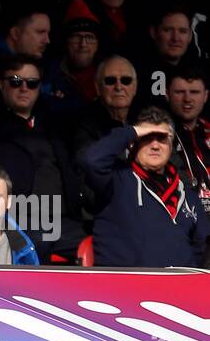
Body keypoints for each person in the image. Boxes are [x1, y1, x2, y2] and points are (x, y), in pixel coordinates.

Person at [0, 53, 86, 254]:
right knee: (34, 247)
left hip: (63, 220)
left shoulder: (55, 124)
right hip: (16, 220)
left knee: (104, 246)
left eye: (32, 83)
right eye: (16, 81)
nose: (24, 88)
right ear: (1, 85)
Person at [79, 106, 208, 268]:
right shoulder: (115, 179)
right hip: (124, 282)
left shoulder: (186, 193)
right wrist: (131, 132)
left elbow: (201, 246)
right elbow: (91, 161)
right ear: (132, 143)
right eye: (147, 137)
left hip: (179, 281)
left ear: (171, 146)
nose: (155, 145)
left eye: (161, 138)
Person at [167, 67, 210, 215]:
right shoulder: (157, 136)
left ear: (205, 96)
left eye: (194, 92)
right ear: (167, 94)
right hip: (180, 219)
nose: (187, 99)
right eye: (179, 92)